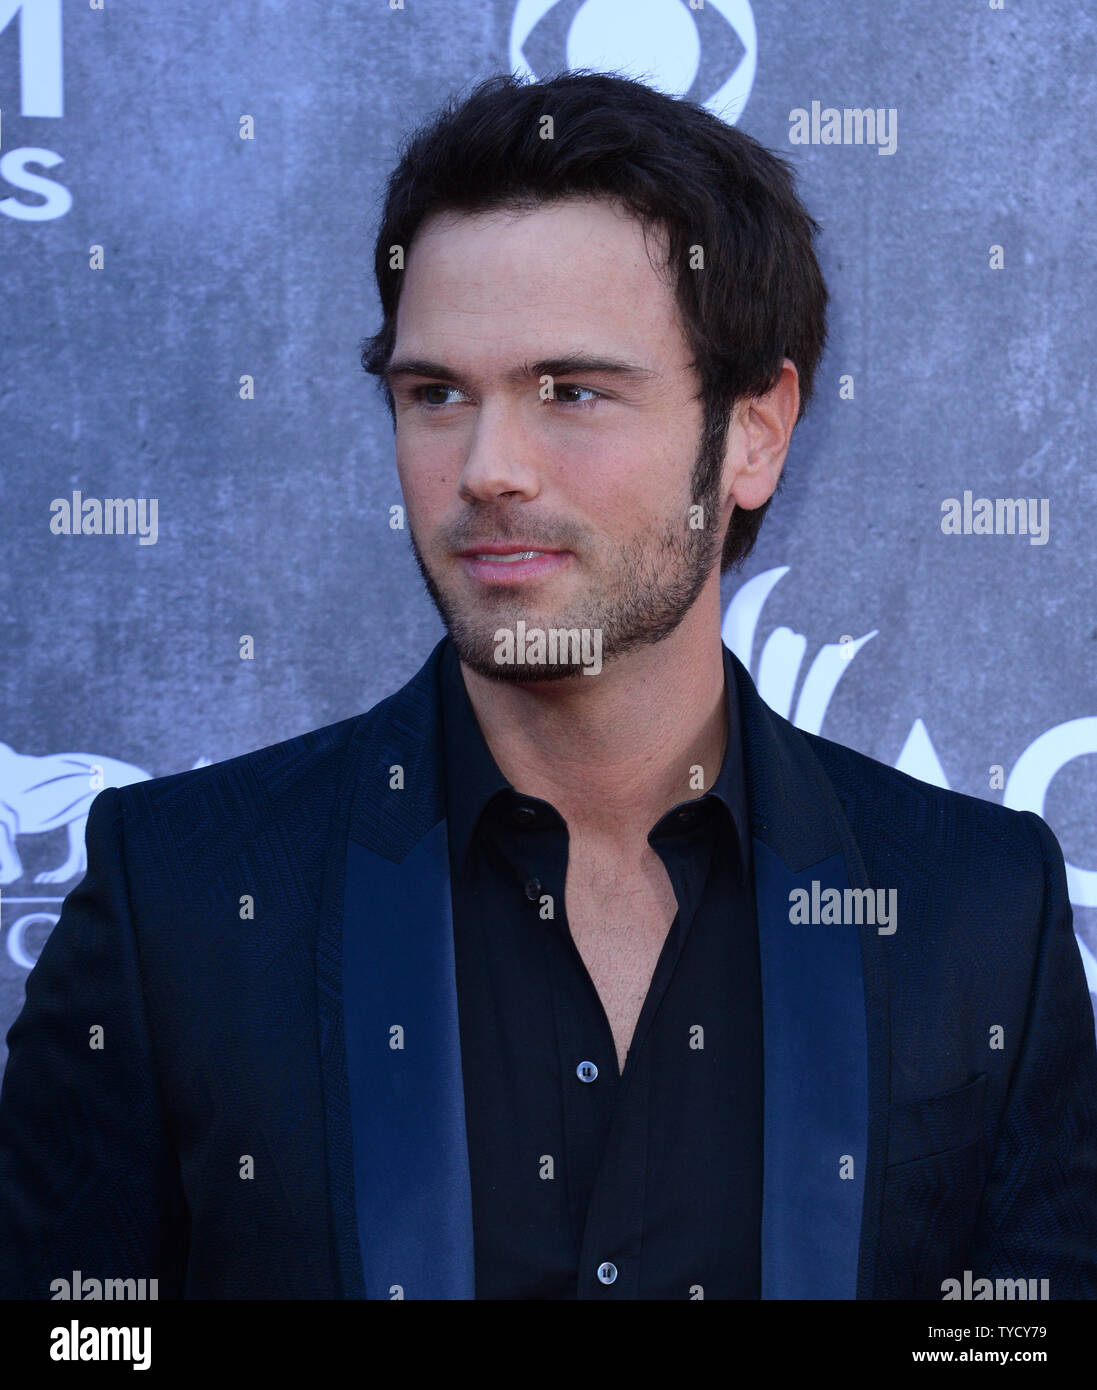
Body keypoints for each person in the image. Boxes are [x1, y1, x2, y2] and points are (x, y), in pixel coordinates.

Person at [2, 70, 1095, 1301]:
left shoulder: (971, 910)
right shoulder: (184, 902)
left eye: (569, 390)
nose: (487, 467)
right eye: (435, 395)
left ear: (752, 433)